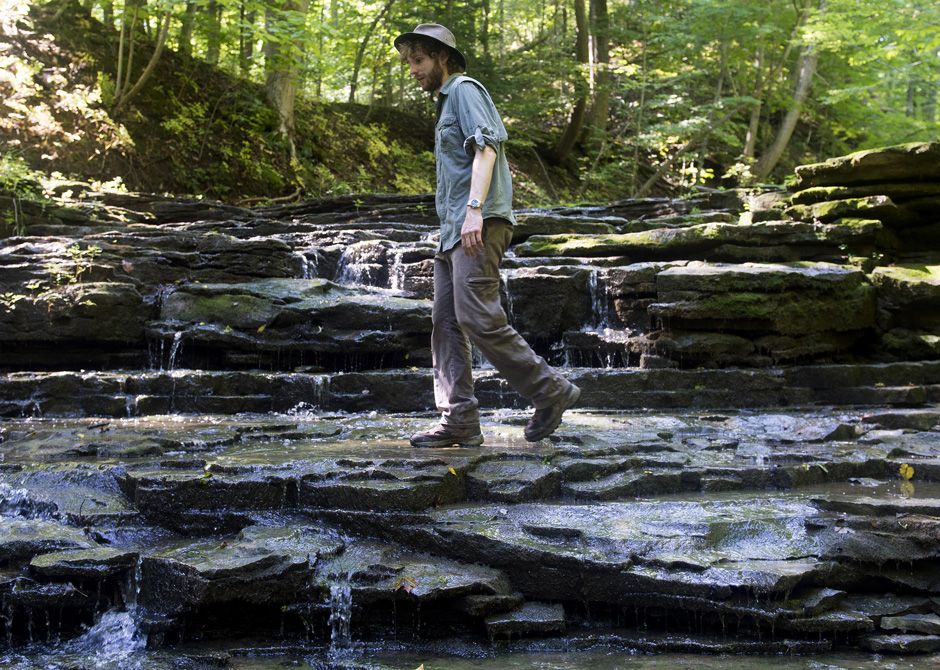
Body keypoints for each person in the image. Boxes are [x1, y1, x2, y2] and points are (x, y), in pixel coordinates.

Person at [394, 23, 580, 447]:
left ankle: (550, 390)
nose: (413, 70)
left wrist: (474, 210)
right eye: (409, 62)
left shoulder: (463, 90)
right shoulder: (446, 103)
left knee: (477, 317)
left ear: (442, 58)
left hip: (477, 224)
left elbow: (487, 148)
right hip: (452, 232)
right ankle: (459, 419)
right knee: (445, 324)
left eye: (418, 60)